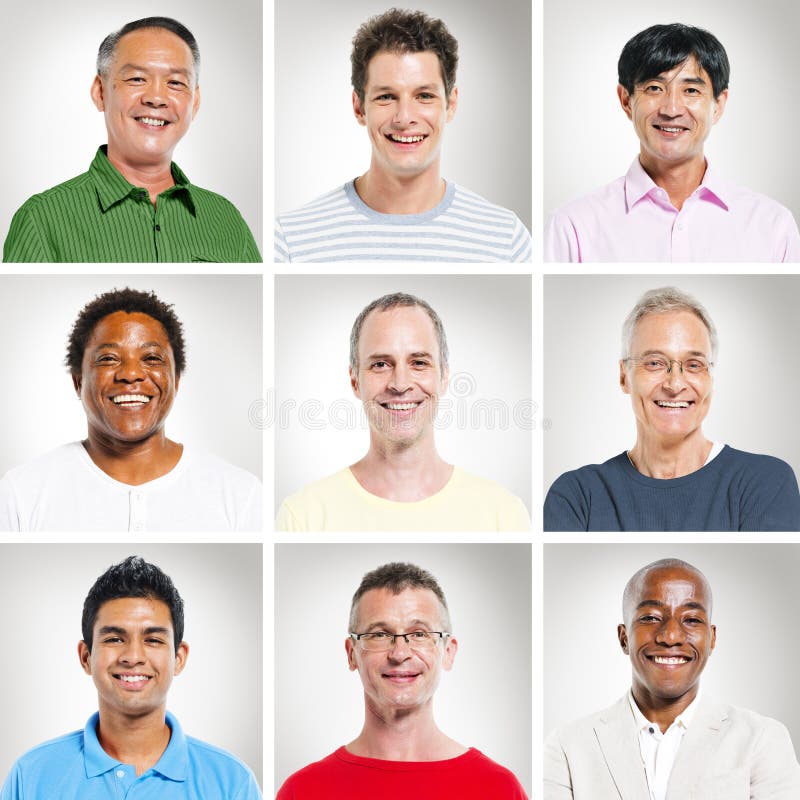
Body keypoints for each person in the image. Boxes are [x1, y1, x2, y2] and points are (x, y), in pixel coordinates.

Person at [275, 9, 531, 262]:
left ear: (450, 105)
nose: (404, 117)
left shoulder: (506, 239)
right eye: (386, 96)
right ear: (359, 107)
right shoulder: (292, 241)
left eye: (424, 96)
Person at [0, 555, 262, 799]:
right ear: (86, 657)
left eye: (153, 639)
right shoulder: (31, 776)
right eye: (115, 639)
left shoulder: (232, 783)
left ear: (178, 658)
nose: (133, 656)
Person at [0, 288, 262, 531]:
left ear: (176, 379)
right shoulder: (20, 494)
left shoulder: (241, 495)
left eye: (151, 358)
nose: (131, 374)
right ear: (78, 381)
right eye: (109, 359)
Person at [3, 17, 261, 263]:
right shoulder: (42, 219)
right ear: (100, 92)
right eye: (137, 79)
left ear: (195, 102)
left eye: (175, 82)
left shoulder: (226, 219)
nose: (156, 97)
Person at [544, 287, 800, 531]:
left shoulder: (766, 482)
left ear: (710, 377)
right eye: (655, 363)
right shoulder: (578, 497)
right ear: (624, 377)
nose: (675, 384)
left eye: (694, 364)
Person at [544, 558, 800, 799]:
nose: (671, 636)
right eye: (651, 618)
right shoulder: (567, 746)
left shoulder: (762, 740)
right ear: (624, 638)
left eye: (691, 619)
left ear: (711, 639)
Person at [545, 23, 800, 262]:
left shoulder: (774, 227)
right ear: (626, 100)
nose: (672, 108)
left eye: (691, 90)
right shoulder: (574, 226)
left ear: (718, 105)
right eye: (655, 88)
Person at [276, 292, 530, 531]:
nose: (400, 383)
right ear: (355, 381)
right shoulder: (302, 517)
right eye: (381, 364)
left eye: (419, 363)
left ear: (443, 377)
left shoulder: (504, 515)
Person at [278, 561, 527, 799]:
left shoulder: (499, 789)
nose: (399, 653)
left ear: (448, 652)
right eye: (380, 634)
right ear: (351, 653)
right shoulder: (302, 791)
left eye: (419, 633)